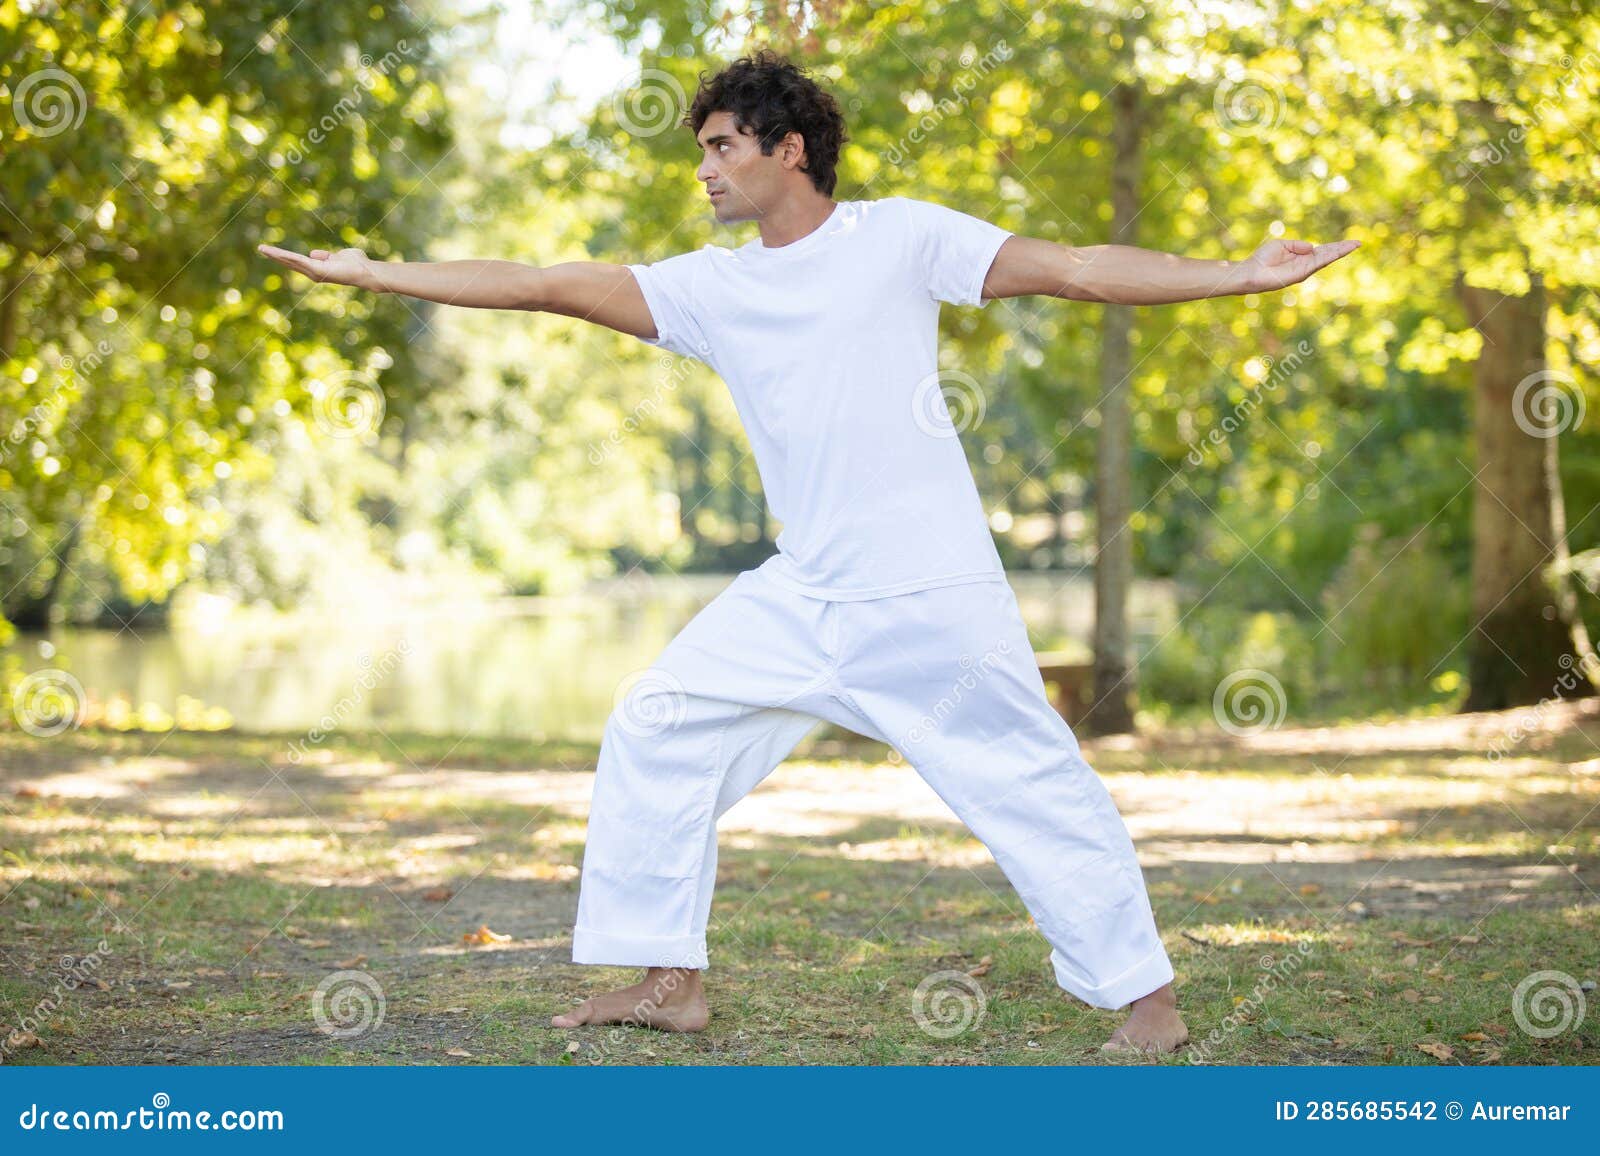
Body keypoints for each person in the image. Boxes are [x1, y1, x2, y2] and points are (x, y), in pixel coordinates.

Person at [259, 49, 1358, 1057]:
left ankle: (1149, 1001)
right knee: (658, 720)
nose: (705, 170)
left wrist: (1239, 274)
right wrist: (373, 273)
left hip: (929, 589)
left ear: (790, 150)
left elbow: (1073, 265)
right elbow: (546, 279)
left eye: (722, 145)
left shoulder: (904, 236)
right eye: (700, 150)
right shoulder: (711, 286)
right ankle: (670, 978)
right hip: (804, 592)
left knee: (1029, 780)